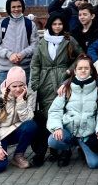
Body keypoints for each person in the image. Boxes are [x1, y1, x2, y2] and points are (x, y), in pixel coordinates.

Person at [29, 11, 81, 166]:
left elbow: (81, 57)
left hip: (63, 81)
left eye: (60, 24)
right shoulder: (42, 42)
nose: (57, 27)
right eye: (54, 24)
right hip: (45, 84)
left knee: (64, 114)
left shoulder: (69, 40)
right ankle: (50, 149)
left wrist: (70, 70)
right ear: (49, 25)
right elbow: (35, 63)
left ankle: (64, 150)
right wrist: (34, 83)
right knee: (47, 116)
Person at [47, 55, 98, 168]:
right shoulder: (67, 88)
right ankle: (66, 150)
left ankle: (83, 148)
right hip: (69, 131)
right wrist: (56, 127)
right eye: (80, 68)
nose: (83, 71)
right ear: (75, 71)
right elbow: (55, 111)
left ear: (91, 70)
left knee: (95, 163)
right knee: (52, 140)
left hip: (86, 135)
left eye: (86, 68)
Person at [0, 66, 37, 172]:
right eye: (14, 86)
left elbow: (28, 118)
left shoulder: (29, 96)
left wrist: (21, 101)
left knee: (31, 125)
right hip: (0, 135)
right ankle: (1, 150)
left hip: (16, 131)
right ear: (8, 86)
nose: (18, 89)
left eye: (21, 85)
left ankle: (18, 156)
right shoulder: (0, 99)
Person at [0, 0, 39, 86]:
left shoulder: (30, 25)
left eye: (19, 6)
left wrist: (22, 54)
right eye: (13, 7)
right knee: (4, 98)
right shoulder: (2, 24)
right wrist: (9, 54)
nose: (16, 9)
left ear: (22, 7)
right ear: (9, 8)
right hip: (4, 69)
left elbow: (35, 45)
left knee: (22, 98)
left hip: (23, 68)